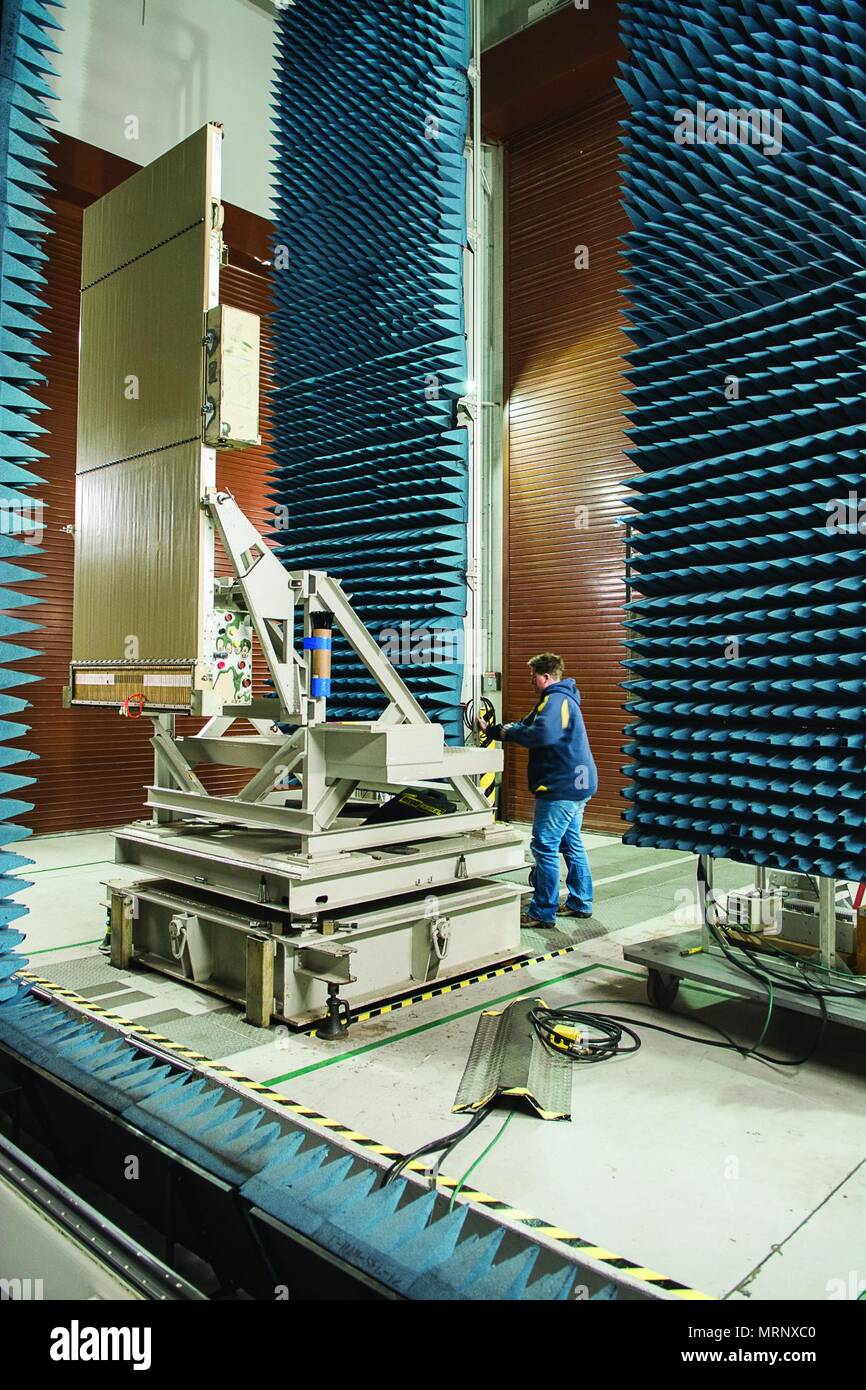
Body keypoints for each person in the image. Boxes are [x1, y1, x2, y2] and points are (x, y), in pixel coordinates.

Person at [481, 653, 598, 928]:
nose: (530, 682)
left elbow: (541, 734)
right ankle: (580, 901)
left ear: (545, 677)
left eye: (533, 677)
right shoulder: (559, 699)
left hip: (561, 787)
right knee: (572, 844)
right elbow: (528, 725)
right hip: (577, 784)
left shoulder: (556, 700)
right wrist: (498, 731)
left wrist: (510, 734)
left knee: (544, 846)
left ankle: (542, 912)